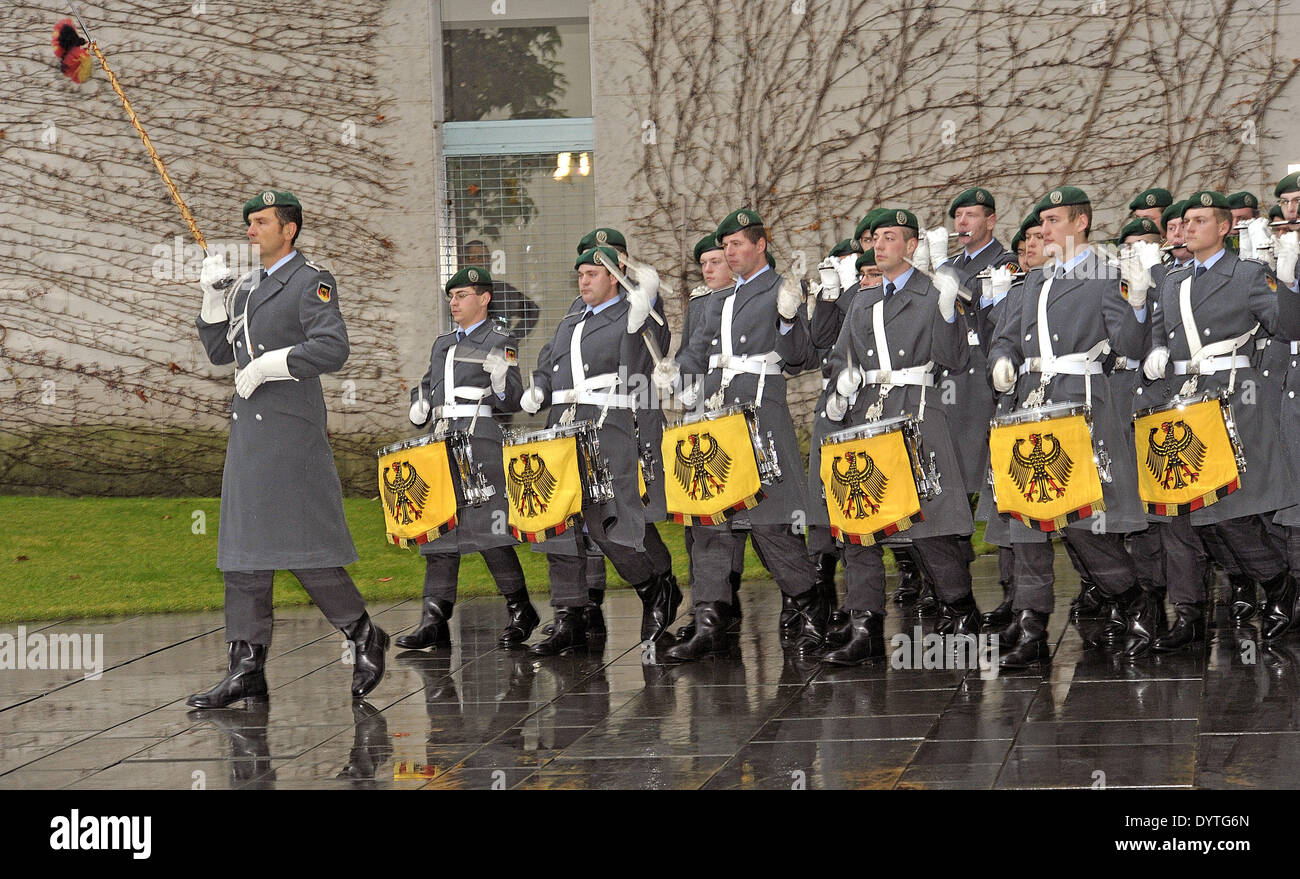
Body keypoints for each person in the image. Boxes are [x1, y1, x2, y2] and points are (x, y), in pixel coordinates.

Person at [190, 189, 387, 707]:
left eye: (261, 222)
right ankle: (246, 667)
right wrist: (212, 298)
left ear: (289, 229)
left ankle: (364, 634)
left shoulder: (310, 281)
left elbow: (332, 347)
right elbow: (220, 352)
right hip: (250, 437)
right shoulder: (247, 287)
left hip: (290, 432)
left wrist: (268, 365)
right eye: (249, 222)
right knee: (242, 554)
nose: (250, 230)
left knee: (303, 547)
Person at [988, 186, 1152, 666]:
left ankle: (1134, 601)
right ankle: (1032, 628)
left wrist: (1138, 303)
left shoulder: (1104, 276)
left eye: (1054, 220)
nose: (1044, 229)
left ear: (1081, 223)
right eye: (1042, 222)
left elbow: (1130, 345)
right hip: (1030, 407)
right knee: (1026, 523)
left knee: (1084, 527)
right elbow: (1005, 336)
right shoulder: (1033, 281)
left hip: (1080, 404)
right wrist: (1002, 360)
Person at [656, 208, 824, 660]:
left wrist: (788, 319)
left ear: (760, 245)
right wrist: (675, 374)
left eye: (737, 244)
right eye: (725, 246)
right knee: (710, 522)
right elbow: (696, 354)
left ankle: (811, 607)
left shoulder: (780, 288)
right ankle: (710, 622)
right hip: (716, 419)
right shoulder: (717, 299)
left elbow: (802, 358)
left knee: (772, 524)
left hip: (760, 416)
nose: (729, 252)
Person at [1136, 191, 1299, 647]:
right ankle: (1249, 595)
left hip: (1232, 400)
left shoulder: (1246, 274)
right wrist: (1157, 350)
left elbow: (1287, 328)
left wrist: (1287, 284)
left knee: (1230, 514)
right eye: (1185, 221)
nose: (1188, 228)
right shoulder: (1174, 281)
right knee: (1198, 516)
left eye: (1200, 220)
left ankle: (1279, 586)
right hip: (1187, 401)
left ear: (1225, 228)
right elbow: (1157, 330)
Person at [820, 209, 979, 663]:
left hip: (916, 413)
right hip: (868, 416)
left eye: (891, 237)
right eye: (877, 238)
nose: (880, 245)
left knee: (930, 527)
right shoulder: (864, 299)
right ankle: (865, 626)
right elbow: (840, 355)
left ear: (911, 246)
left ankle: (960, 610)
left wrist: (948, 313)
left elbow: (954, 360)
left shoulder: (932, 293)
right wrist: (841, 383)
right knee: (859, 524)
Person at [521, 245, 679, 654]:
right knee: (559, 527)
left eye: (593, 273)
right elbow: (551, 360)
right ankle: (569, 617)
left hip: (607, 425)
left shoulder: (632, 310)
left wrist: (646, 309)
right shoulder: (572, 317)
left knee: (610, 524)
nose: (584, 281)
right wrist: (538, 386)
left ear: (614, 277)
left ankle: (653, 588)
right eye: (581, 274)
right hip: (564, 427)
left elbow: (646, 358)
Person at [400, 266, 542, 650]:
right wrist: (420, 403)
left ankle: (520, 608)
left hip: (479, 439)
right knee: (439, 529)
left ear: (484, 299)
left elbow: (513, 399)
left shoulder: (500, 339)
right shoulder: (443, 343)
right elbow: (428, 384)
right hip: (442, 441)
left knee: (490, 531)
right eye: (452, 296)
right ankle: (434, 618)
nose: (454, 302)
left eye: (462, 295)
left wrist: (500, 381)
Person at [462, 240, 540, 341]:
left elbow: (532, 310)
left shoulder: (502, 290)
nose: (480, 261)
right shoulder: (456, 293)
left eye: (483, 257)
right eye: (473, 258)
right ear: (464, 262)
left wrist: (512, 338)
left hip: (497, 349)